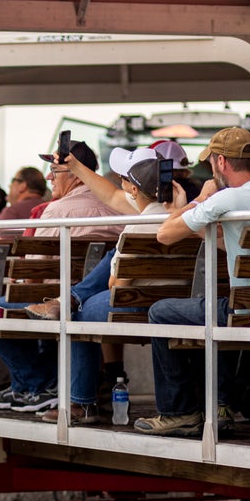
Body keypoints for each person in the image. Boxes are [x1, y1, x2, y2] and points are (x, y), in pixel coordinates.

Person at [133, 127, 250, 437]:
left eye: (211, 163)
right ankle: (222, 402)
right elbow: (237, 244)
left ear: (221, 162)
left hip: (244, 311)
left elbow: (164, 234)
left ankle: (179, 411)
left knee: (161, 311)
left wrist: (198, 200)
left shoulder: (227, 198)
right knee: (215, 308)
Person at [0, 141, 123, 412]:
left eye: (55, 170)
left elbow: (31, 280)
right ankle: (41, 383)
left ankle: (38, 382)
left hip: (57, 303)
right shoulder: (120, 209)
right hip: (100, 301)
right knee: (69, 311)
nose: (49, 176)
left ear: (75, 173)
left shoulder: (57, 212)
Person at [39, 153, 188, 423]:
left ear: (133, 189)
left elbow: (117, 284)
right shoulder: (183, 219)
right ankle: (71, 299)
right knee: (83, 301)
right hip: (176, 304)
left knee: (76, 315)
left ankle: (81, 403)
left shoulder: (137, 225)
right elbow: (110, 196)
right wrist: (74, 164)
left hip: (134, 303)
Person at [0, 167, 48, 239]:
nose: (9, 185)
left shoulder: (12, 212)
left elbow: (1, 245)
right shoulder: (52, 208)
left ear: (23, 186)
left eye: (13, 180)